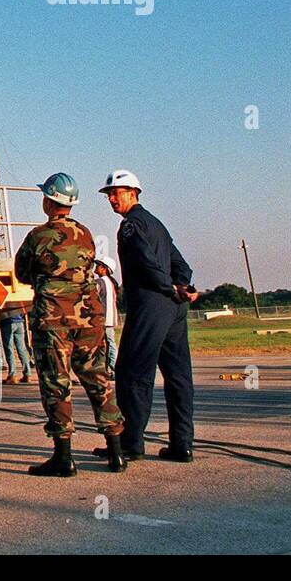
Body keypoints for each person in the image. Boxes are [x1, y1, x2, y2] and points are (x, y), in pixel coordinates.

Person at [14, 173, 126, 476]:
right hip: (89, 318)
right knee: (98, 380)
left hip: (53, 321)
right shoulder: (86, 233)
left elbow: (22, 273)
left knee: (56, 385)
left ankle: (63, 458)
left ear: (49, 201)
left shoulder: (38, 236)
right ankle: (116, 452)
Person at [98, 170, 198, 463]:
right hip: (174, 309)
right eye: (109, 195)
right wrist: (183, 287)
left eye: (117, 193)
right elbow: (180, 263)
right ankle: (182, 444)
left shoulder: (130, 226)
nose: (112, 199)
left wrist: (169, 287)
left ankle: (131, 443)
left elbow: (147, 263)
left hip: (152, 305)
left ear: (134, 193)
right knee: (178, 377)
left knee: (132, 374)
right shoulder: (157, 224)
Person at [94, 257, 121, 377]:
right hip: (110, 318)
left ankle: (113, 368)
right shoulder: (111, 282)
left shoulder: (100, 282)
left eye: (99, 265)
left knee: (106, 344)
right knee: (110, 343)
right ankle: (111, 369)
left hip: (103, 318)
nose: (96, 267)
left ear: (104, 269)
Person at [0, 309, 34, 383]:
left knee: (9, 349)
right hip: (19, 321)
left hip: (7, 322)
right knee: (22, 349)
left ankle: (12, 374)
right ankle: (27, 374)